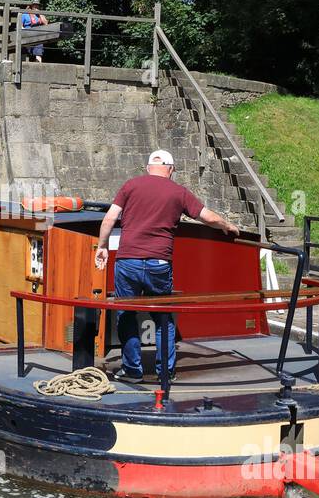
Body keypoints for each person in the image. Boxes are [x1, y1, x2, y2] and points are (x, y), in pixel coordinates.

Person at [94, 150, 240, 383]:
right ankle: (165, 372)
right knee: (163, 319)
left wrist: (102, 246)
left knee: (126, 314)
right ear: (171, 169)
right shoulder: (178, 192)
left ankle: (133, 371)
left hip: (128, 261)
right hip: (159, 263)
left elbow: (109, 218)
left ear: (148, 167)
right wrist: (227, 225)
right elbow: (207, 217)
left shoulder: (130, 186)